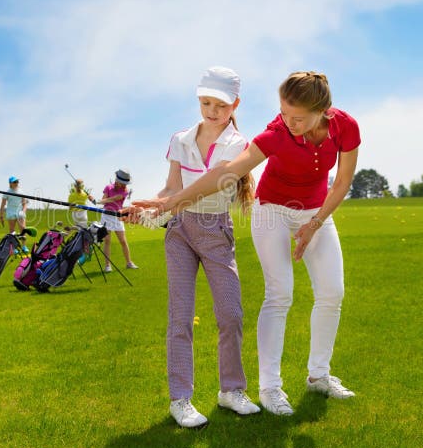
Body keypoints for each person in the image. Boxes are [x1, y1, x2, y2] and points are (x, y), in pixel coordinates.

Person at [133, 71, 361, 415]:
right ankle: (270, 389)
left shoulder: (346, 126)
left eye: (297, 117)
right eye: (283, 113)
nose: (288, 122)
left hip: (315, 211)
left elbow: (342, 182)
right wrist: (170, 203)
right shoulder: (276, 133)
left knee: (333, 292)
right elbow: (226, 173)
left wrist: (313, 225)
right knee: (280, 292)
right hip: (272, 210)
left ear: (323, 112)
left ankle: (319, 375)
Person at [129, 66, 260, 428]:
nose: (211, 111)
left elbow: (211, 185)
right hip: (181, 232)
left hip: (216, 230)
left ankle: (231, 391)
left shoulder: (239, 145)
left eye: (220, 105)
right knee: (180, 317)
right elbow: (171, 189)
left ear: (235, 104)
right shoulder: (180, 139)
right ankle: (180, 399)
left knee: (231, 313)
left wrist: (165, 205)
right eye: (205, 102)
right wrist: (147, 206)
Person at [99, 170, 137, 271]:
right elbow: (104, 199)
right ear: (117, 180)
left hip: (117, 216)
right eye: (123, 182)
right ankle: (107, 266)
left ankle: (129, 263)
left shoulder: (125, 191)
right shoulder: (108, 187)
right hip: (106, 216)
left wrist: (100, 201)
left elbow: (115, 198)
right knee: (107, 241)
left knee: (123, 241)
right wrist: (100, 201)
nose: (124, 184)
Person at [0, 176, 29, 253]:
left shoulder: (21, 192)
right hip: (11, 212)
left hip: (20, 213)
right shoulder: (7, 192)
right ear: (10, 183)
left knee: (23, 230)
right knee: (12, 231)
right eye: (14, 182)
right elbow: (3, 204)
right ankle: (14, 248)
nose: (16, 183)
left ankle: (24, 246)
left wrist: (23, 211)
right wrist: (1, 216)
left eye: (17, 182)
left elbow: (25, 203)